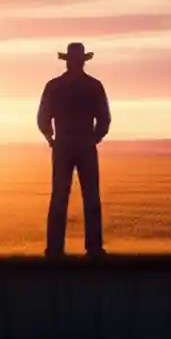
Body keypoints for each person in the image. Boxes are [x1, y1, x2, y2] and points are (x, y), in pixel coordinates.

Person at [37, 42, 111, 258]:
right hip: (83, 144)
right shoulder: (93, 86)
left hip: (64, 145)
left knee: (60, 195)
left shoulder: (54, 86)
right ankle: (93, 247)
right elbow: (104, 118)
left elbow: (43, 117)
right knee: (90, 196)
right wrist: (94, 138)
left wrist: (51, 138)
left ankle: (55, 248)